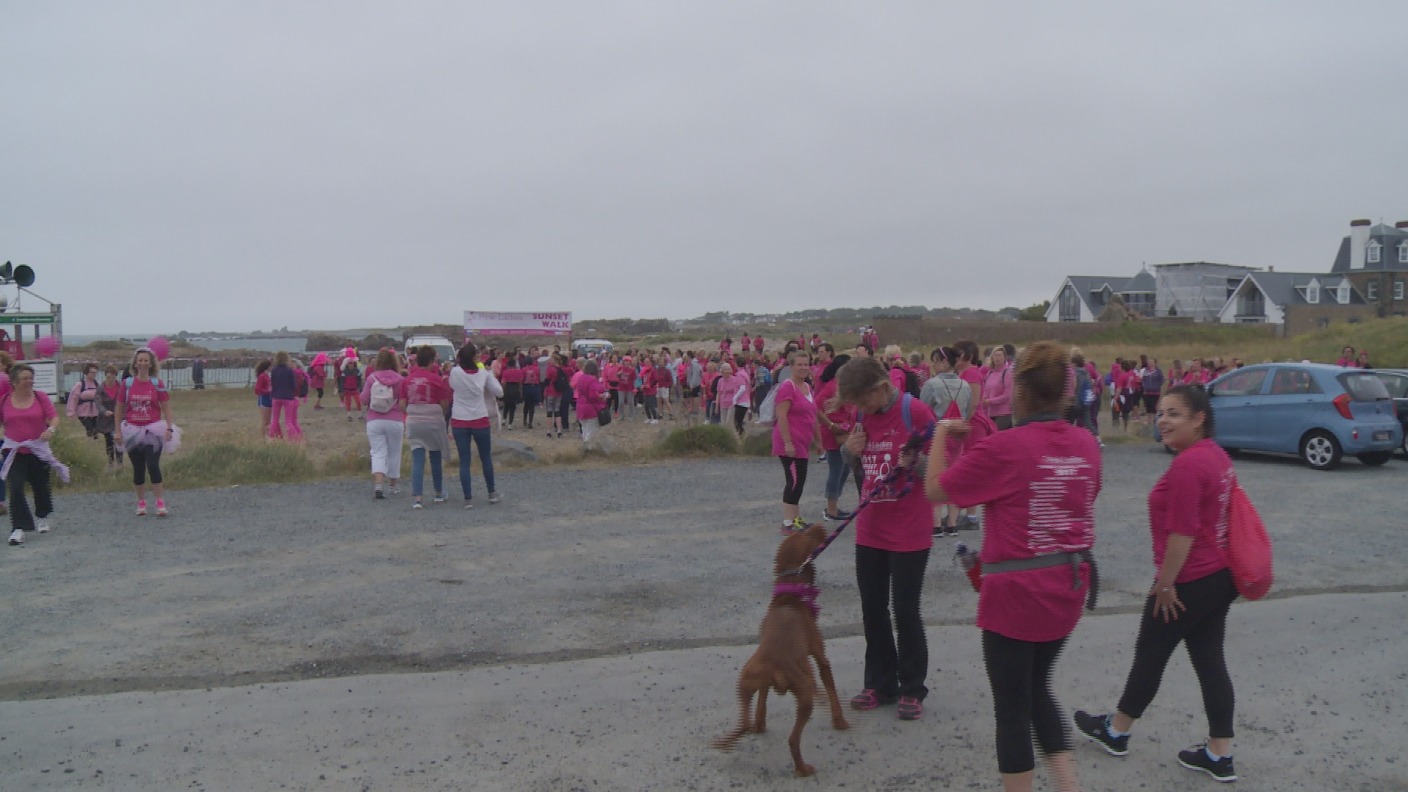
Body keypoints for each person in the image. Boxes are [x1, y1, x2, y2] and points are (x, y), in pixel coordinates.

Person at [925, 341, 1100, 792]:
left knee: (1011, 707)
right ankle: (1067, 783)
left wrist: (943, 433)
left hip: (1016, 596)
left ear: (1018, 392)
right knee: (1037, 686)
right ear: (1065, 393)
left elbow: (937, 491)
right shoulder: (1087, 444)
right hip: (1069, 586)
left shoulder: (1006, 446)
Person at [1073, 384, 1241, 784]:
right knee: (1208, 659)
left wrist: (1166, 585)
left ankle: (1116, 731)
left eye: (1175, 414)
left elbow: (1182, 533)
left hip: (1190, 578)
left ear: (1199, 419)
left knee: (1150, 651)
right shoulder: (1215, 455)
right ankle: (1220, 753)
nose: (1163, 420)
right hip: (1220, 574)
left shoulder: (1189, 465)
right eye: (1161, 412)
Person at [836, 355, 937, 722]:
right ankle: (880, 682)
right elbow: (859, 469)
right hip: (871, 527)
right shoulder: (863, 417)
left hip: (910, 531)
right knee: (872, 610)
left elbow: (943, 471)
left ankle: (912, 686)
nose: (859, 410)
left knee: (906, 611)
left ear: (881, 388)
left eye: (863, 401)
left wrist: (917, 463)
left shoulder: (918, 413)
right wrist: (850, 452)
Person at [3, 364, 65, 546]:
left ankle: (42, 516)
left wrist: (51, 430)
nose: (30, 381)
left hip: (38, 449)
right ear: (14, 382)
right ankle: (18, 528)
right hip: (14, 451)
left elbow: (54, 417)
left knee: (41, 485)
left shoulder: (40, 397)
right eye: (25, 378)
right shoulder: (4, 400)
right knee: (15, 488)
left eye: (31, 377)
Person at [116, 347, 175, 517]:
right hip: (132, 430)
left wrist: (169, 427)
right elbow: (119, 409)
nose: (142, 363)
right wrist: (118, 431)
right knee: (138, 468)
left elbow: (166, 408)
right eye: (140, 360)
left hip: (153, 430)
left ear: (150, 364)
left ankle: (159, 502)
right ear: (135, 364)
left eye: (146, 360)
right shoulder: (127, 384)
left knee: (153, 465)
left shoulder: (157, 384)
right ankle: (141, 503)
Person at [920, 346, 972, 536]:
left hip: (937, 435)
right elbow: (966, 411)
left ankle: (935, 524)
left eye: (935, 360)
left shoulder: (931, 385)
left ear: (943, 362)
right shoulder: (965, 385)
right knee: (953, 477)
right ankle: (952, 523)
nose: (933, 365)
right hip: (957, 435)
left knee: (935, 477)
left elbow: (923, 412)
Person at [450, 343, 503, 507]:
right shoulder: (484, 374)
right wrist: (490, 377)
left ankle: (467, 498)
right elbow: (499, 392)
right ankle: (492, 492)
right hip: (480, 418)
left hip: (459, 419)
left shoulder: (455, 372)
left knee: (464, 460)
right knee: (485, 457)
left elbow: (451, 386)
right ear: (475, 357)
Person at [772, 350, 818, 533]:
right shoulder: (787, 387)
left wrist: (818, 440)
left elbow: (812, 415)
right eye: (799, 364)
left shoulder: (807, 387)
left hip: (802, 442)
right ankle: (787, 523)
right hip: (789, 442)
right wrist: (788, 442)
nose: (803, 368)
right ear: (791, 366)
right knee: (794, 480)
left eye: (806, 364)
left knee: (799, 481)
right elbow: (781, 415)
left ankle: (796, 519)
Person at [404, 346, 450, 509]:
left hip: (414, 420)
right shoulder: (436, 379)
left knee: (418, 458)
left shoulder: (408, 379)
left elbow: (403, 403)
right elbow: (444, 402)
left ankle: (417, 497)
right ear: (431, 361)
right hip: (433, 419)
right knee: (435, 455)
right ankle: (438, 492)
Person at [361, 348, 407, 499]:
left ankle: (378, 485)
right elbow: (403, 400)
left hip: (375, 419)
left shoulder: (372, 378)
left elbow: (364, 399)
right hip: (395, 420)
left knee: (378, 453)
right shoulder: (400, 379)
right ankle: (393, 486)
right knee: (394, 452)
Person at [814, 353, 855, 521]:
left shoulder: (842, 387)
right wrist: (831, 424)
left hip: (841, 432)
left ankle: (833, 506)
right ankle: (831, 509)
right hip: (834, 434)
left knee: (843, 469)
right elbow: (816, 407)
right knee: (837, 469)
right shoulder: (833, 387)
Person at [268, 351, 303, 441]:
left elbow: (272, 383)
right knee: (288, 421)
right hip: (288, 397)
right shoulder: (290, 371)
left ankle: (271, 438)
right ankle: (295, 439)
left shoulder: (274, 371)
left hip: (276, 397)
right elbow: (294, 385)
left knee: (274, 420)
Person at [574, 359, 608, 444]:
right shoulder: (592, 380)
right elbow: (594, 395)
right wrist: (604, 395)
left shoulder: (581, 378)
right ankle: (588, 451)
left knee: (585, 430)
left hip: (580, 407)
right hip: (591, 409)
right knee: (591, 433)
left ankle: (585, 449)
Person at [66, 363, 102, 438]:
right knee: (90, 430)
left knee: (96, 432)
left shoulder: (98, 384)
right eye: (92, 372)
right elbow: (73, 399)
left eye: (95, 373)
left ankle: (93, 445)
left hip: (96, 413)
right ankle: (90, 442)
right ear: (86, 373)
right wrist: (71, 412)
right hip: (83, 413)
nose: (94, 374)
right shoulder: (80, 385)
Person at [983, 345, 1014, 430]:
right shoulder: (990, 373)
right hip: (991, 412)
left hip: (1003, 413)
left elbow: (1007, 395)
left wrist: (990, 401)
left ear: (1004, 358)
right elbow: (986, 389)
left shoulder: (1007, 373)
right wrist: (984, 399)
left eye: (1000, 355)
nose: (997, 358)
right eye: (995, 355)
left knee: (996, 435)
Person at [97, 365, 123, 466]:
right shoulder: (101, 388)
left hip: (118, 419)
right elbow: (98, 402)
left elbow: (124, 402)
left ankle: (120, 462)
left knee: (118, 440)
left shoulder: (120, 387)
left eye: (113, 377)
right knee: (109, 441)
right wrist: (104, 411)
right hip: (106, 419)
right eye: (108, 377)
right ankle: (110, 462)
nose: (110, 380)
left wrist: (120, 413)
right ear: (105, 376)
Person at [253, 359, 273, 433]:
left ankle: (268, 435)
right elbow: (257, 390)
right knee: (265, 420)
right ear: (268, 367)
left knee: (269, 420)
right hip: (264, 399)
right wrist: (268, 391)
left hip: (269, 399)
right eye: (271, 366)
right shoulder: (262, 376)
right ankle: (263, 437)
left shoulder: (267, 375)